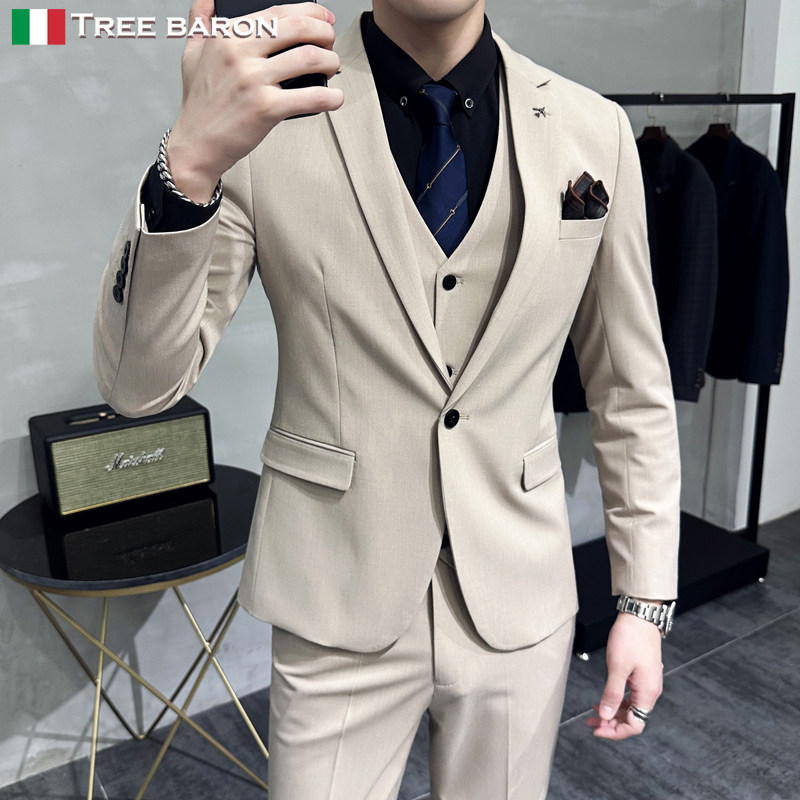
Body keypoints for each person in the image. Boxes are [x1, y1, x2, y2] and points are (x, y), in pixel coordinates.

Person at [93, 1, 681, 797]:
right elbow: (138, 387)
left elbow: (631, 389)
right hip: (336, 595)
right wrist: (187, 163)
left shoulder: (592, 128)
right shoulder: (270, 119)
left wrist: (644, 602)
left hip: (519, 597)